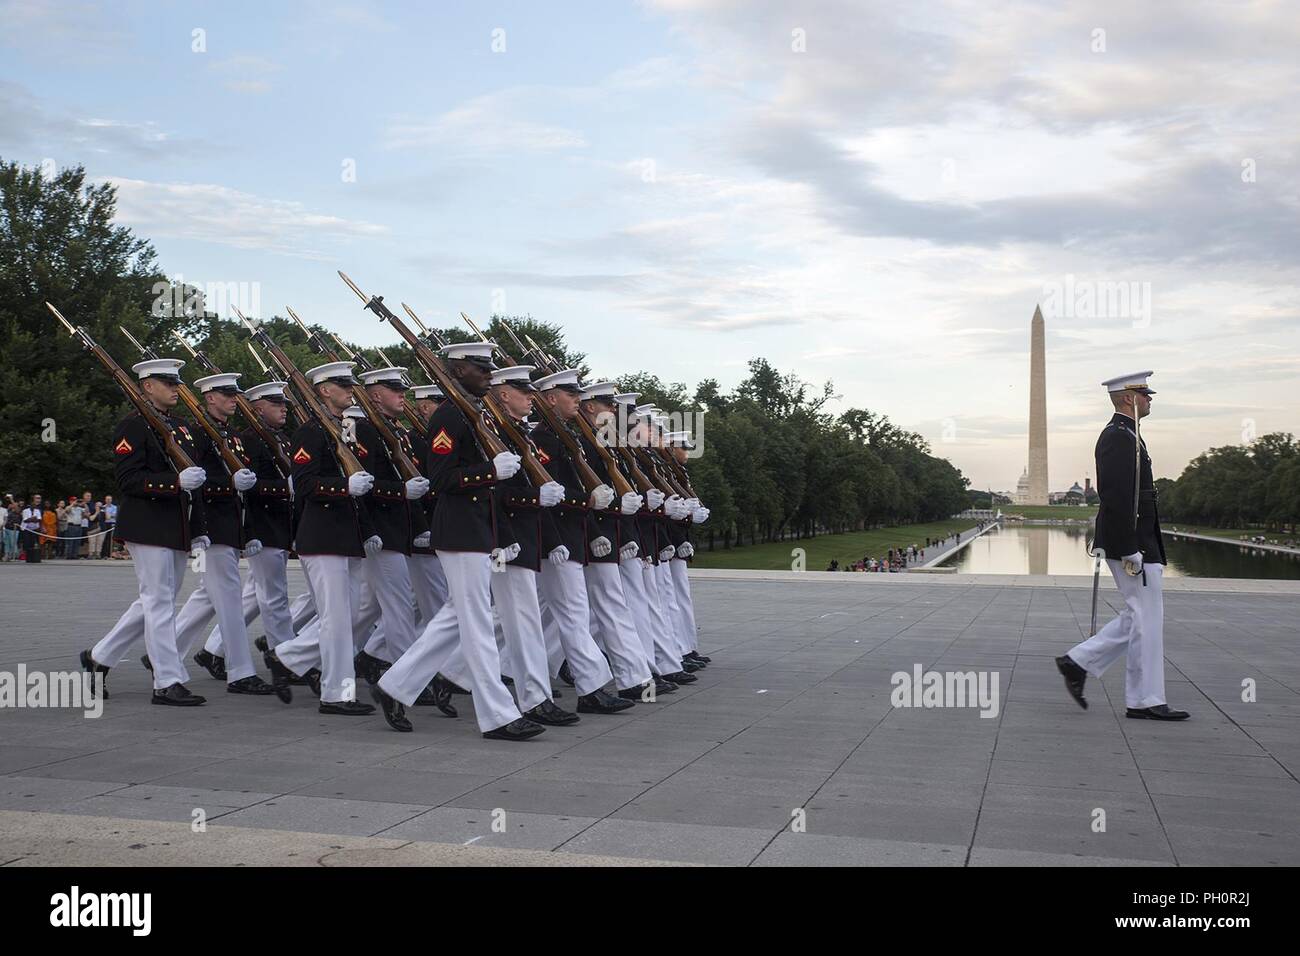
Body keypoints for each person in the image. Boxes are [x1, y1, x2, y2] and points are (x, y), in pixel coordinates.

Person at [372, 342, 546, 739]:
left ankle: (396, 685)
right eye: (479, 368)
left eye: (489, 367)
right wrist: (490, 471)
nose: (488, 374)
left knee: (456, 617)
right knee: (477, 623)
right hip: (460, 530)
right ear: (457, 370)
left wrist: (502, 534)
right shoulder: (450, 416)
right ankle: (498, 715)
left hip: (479, 529)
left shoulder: (474, 414)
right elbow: (441, 478)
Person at [1057, 370, 1188, 721]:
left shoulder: (1131, 435)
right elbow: (1116, 497)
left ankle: (1079, 663)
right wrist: (1131, 548)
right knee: (1144, 619)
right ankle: (1145, 699)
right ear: (1129, 398)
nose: (1150, 399)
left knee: (1141, 616)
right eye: (1145, 394)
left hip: (1141, 542)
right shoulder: (1118, 437)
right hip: (1133, 545)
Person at [80, 358, 211, 705]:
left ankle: (98, 657)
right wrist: (173, 483)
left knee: (155, 600)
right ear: (147, 386)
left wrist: (198, 528)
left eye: (177, 383)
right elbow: (128, 479)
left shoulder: (182, 427)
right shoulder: (132, 426)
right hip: (147, 524)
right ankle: (166, 681)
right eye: (168, 383)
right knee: (159, 602)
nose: (175, 389)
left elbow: (193, 482)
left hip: (177, 526)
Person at [265, 361, 378, 716]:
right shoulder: (312, 433)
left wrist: (369, 529)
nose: (350, 390)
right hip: (323, 535)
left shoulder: (345, 430)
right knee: (335, 619)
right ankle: (336, 694)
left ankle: (286, 656)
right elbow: (304, 485)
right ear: (325, 390)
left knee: (348, 615)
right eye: (343, 385)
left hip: (348, 536)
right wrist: (344, 487)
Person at [20, 494, 43, 563]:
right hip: (26, 529)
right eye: (33, 505)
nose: (34, 506)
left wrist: (31, 519)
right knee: (27, 543)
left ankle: (32, 557)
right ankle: (27, 557)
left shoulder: (37, 511)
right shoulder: (25, 511)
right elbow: (25, 520)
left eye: (35, 506)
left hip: (34, 529)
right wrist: (33, 519)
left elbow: (39, 519)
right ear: (30, 505)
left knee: (33, 543)